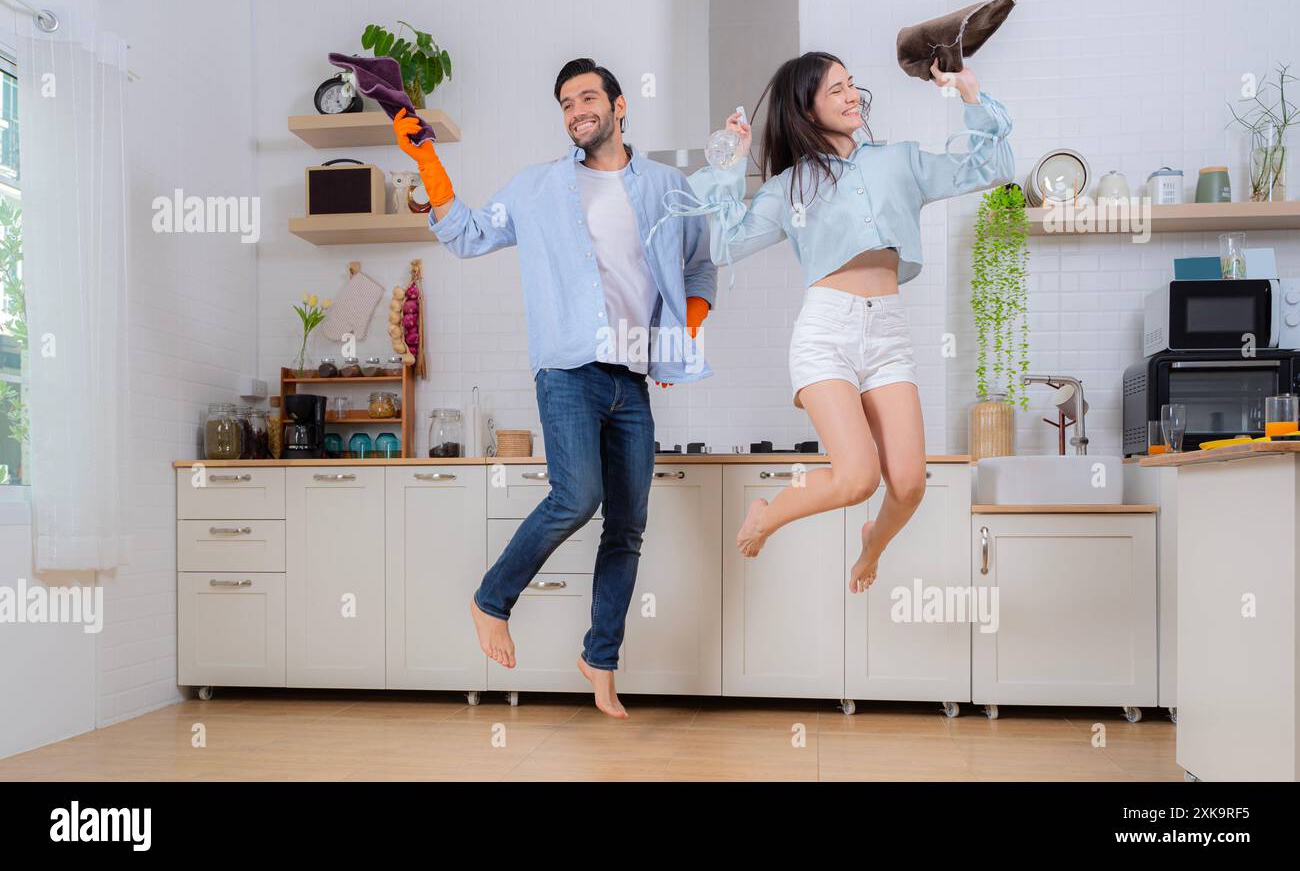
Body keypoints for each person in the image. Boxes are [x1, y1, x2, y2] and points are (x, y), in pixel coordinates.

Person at [393, 58, 716, 719]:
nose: (576, 112)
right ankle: (492, 599)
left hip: (632, 377)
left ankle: (599, 661)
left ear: (619, 105)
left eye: (588, 98)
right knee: (578, 496)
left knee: (626, 528)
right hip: (567, 371)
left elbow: (701, 263)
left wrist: (683, 331)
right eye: (566, 103)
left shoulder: (667, 185)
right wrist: (426, 162)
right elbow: (468, 233)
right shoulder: (538, 187)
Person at [689, 52, 1012, 593]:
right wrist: (727, 167)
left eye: (852, 85)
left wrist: (969, 95)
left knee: (908, 485)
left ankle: (873, 544)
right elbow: (723, 245)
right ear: (808, 110)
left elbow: (991, 167)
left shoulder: (899, 161)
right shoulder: (791, 186)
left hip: (887, 333)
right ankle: (766, 515)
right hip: (826, 332)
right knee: (858, 477)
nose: (851, 96)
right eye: (836, 90)